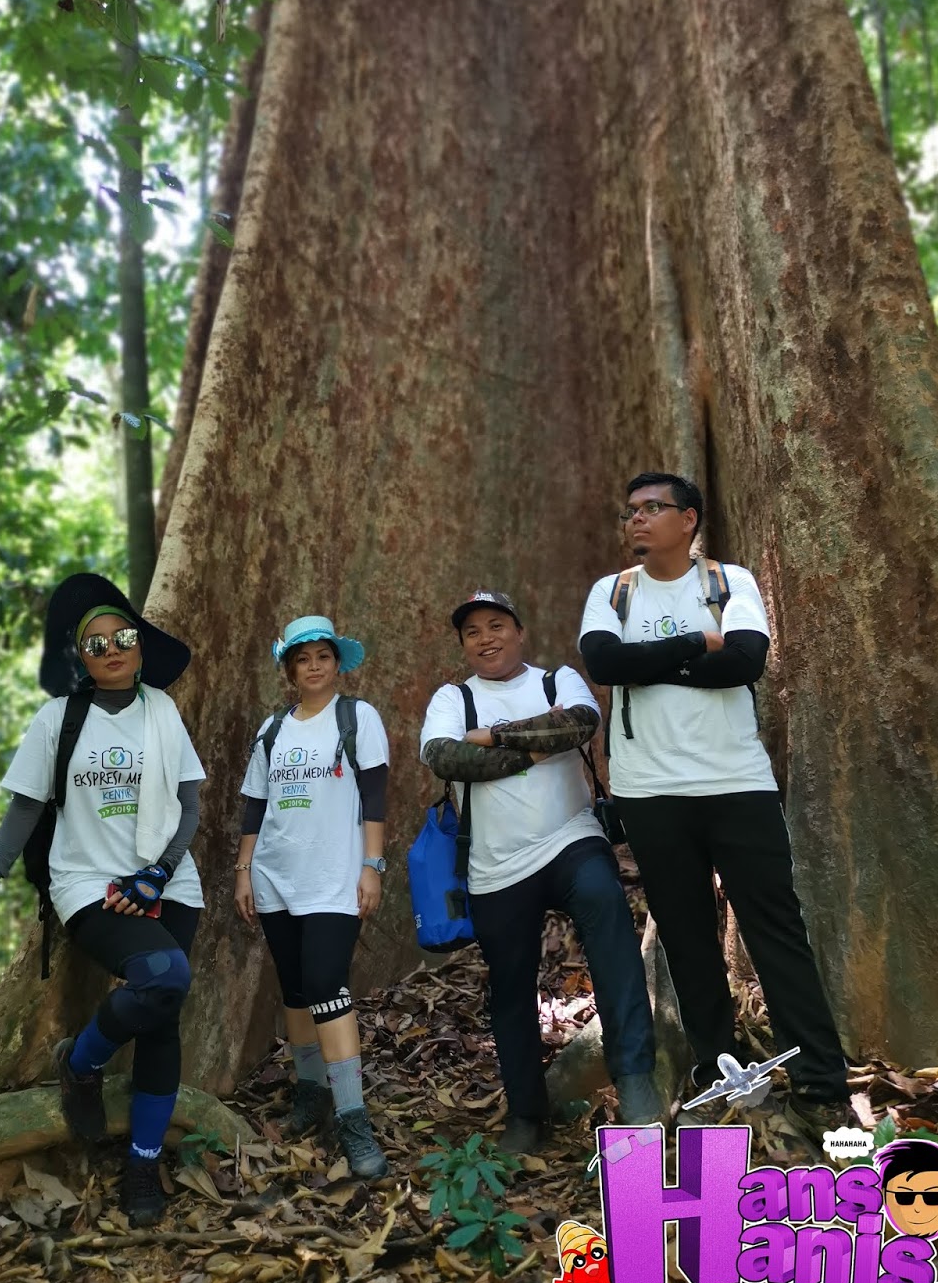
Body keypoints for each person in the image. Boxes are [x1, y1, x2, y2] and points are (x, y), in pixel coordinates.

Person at [578, 472, 850, 1143]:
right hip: (649, 793)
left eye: (653, 508)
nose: (637, 519)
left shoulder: (730, 583)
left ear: (689, 519)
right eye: (631, 509)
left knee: (775, 929)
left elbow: (747, 662)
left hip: (736, 785)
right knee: (687, 936)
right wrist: (696, 645)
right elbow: (603, 661)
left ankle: (821, 1084)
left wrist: (651, 661)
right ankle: (715, 1068)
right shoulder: (611, 592)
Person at [0, 573, 205, 1226]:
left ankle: (142, 1165)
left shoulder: (163, 712)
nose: (112, 649)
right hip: (88, 883)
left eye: (122, 636)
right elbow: (26, 809)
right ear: (80, 658)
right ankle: (82, 1061)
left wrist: (157, 873)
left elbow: (190, 805)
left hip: (169, 880)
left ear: (140, 645)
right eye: (96, 644)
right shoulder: (56, 720)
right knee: (165, 975)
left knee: (164, 1014)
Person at [418, 590, 659, 1153]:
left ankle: (636, 1079)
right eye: (473, 631)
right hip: (495, 867)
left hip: (572, 839)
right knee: (509, 990)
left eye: (496, 625)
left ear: (519, 631)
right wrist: (533, 747)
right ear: (463, 645)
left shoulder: (558, 680)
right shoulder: (452, 698)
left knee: (609, 923)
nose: (486, 638)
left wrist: (497, 738)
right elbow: (445, 758)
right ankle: (526, 1115)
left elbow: (577, 724)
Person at [235, 614, 391, 1179]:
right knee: (296, 990)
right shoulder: (272, 730)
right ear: (290, 670)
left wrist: (372, 866)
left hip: (334, 877)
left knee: (328, 984)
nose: (315, 666)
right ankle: (310, 1092)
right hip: (277, 874)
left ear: (337, 662)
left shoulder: (357, 717)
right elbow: (256, 803)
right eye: (303, 659)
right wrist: (244, 870)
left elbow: (374, 797)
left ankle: (353, 1117)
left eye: (323, 655)